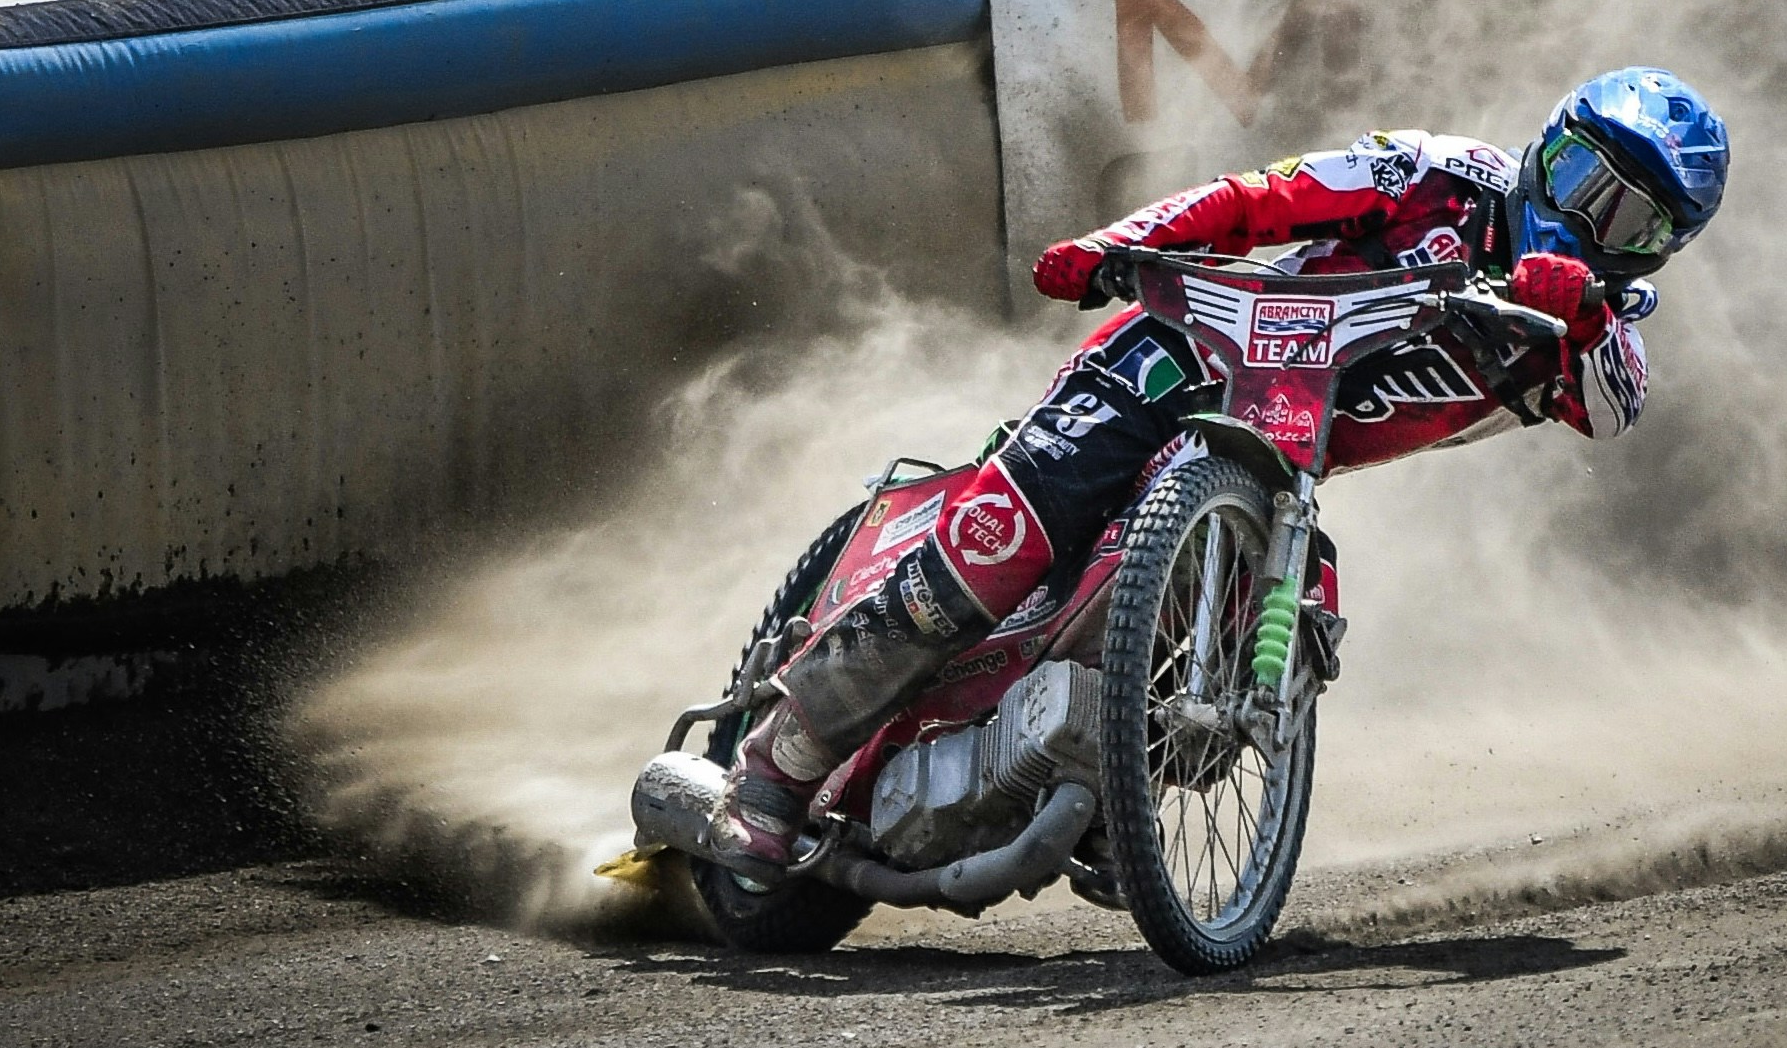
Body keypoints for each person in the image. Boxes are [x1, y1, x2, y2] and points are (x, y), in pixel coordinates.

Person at [703, 72, 1726, 868]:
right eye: (1589, 186)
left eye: (1634, 224)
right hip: (1173, 355)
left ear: (1660, 252)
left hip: (1276, 452)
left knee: (1294, 611)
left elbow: (1616, 402)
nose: (1596, 225)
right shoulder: (1435, 174)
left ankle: (1121, 794)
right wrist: (1116, 241)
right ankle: (777, 768)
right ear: (1549, 149)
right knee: (1004, 536)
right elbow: (1260, 198)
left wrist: (1582, 304)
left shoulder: (1593, 323)